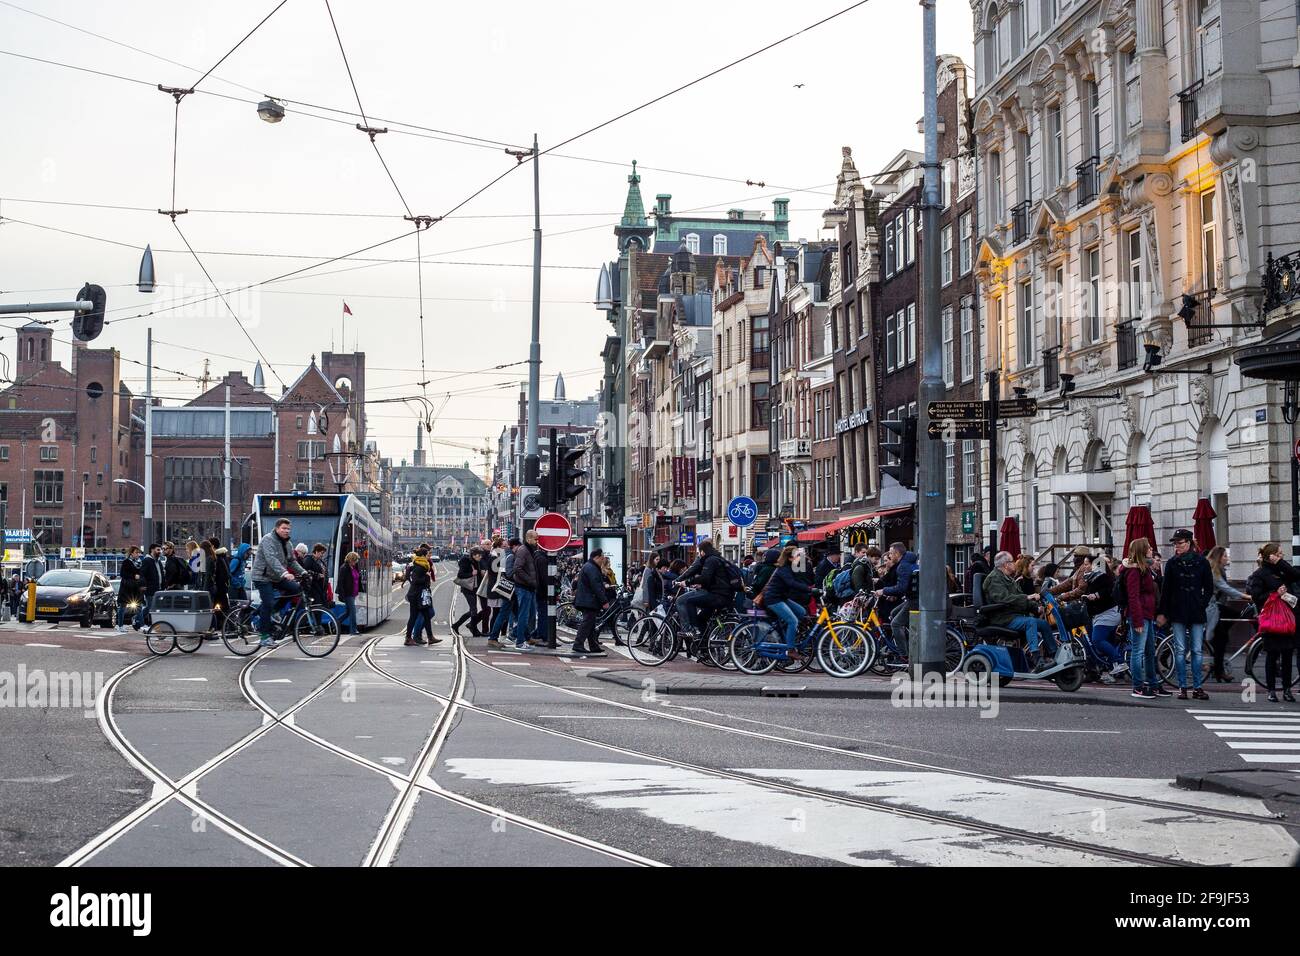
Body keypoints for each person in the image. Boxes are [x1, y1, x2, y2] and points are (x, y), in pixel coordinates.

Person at [1157, 529, 1215, 700]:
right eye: (1175, 543)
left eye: (1180, 543)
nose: (1177, 546)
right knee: (1180, 650)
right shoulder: (1172, 563)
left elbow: (1209, 587)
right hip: (1178, 611)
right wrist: (1163, 612)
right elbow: (1165, 590)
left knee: (1197, 650)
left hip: (1196, 611)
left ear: (1189, 543)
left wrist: (1201, 603)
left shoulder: (1202, 562)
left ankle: (1197, 687)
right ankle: (1182, 687)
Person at [981, 550, 1055, 670]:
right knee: (1030, 622)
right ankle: (1036, 659)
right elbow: (1004, 598)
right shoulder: (994, 579)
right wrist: (1028, 596)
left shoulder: (1008, 578)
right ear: (1006, 564)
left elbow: (1020, 600)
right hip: (1002, 618)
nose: (1015, 563)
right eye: (1012, 561)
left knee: (1044, 624)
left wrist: (1036, 608)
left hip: (1013, 615)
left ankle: (1054, 654)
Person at [1246, 542, 1300, 702]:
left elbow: (1296, 575)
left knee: (1288, 655)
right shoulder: (1260, 574)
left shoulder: (1283, 571)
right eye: (1279, 553)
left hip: (1288, 618)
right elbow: (1256, 597)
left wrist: (1280, 562)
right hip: (1272, 619)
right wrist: (1275, 593)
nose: (1282, 555)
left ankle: (1287, 689)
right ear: (1271, 555)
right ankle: (1271, 690)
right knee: (1272, 655)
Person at [1120, 537, 1167, 700]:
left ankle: (1153, 685)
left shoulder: (1144, 567)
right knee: (1138, 651)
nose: (1151, 549)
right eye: (1148, 547)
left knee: (1149, 651)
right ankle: (1138, 687)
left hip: (1147, 614)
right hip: (1139, 616)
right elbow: (1133, 597)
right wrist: (1138, 620)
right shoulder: (1134, 571)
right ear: (1141, 550)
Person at [249, 519, 306, 647]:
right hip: (262, 577)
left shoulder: (288, 543)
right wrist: (285, 573)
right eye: (284, 528)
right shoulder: (267, 540)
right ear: (277, 528)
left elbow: (292, 561)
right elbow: (271, 559)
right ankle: (264, 636)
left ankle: (275, 610)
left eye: (288, 529)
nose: (286, 531)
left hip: (276, 577)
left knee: (296, 589)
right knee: (268, 601)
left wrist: (304, 572)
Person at [762, 545, 816, 662]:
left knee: (801, 612)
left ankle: (787, 635)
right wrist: (809, 589)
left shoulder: (793, 567)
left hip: (782, 598)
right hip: (773, 599)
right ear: (790, 558)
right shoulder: (783, 569)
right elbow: (791, 583)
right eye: (797, 556)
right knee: (793, 621)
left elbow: (804, 576)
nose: (800, 559)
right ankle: (790, 649)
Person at [1205, 546, 1248, 683]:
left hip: (1217, 606)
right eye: (1225, 556)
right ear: (1218, 557)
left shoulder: (1219, 570)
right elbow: (1225, 587)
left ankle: (1216, 640)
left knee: (1237, 614)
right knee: (1221, 640)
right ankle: (1218, 671)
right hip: (1210, 608)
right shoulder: (1213, 571)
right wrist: (1244, 596)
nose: (1227, 559)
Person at [674, 539, 733, 634]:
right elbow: (713, 579)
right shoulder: (717, 558)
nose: (699, 555)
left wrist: (687, 582)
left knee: (688, 601)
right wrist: (700, 584)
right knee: (701, 619)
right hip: (724, 595)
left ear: (702, 551)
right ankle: (703, 645)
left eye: (699, 552)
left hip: (718, 596)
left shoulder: (710, 560)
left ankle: (693, 630)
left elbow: (704, 577)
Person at [573, 549, 610, 655]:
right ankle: (578, 644)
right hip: (588, 600)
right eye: (602, 558)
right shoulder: (591, 568)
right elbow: (596, 586)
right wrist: (604, 600)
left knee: (591, 624)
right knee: (587, 623)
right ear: (596, 557)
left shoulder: (590, 566)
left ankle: (593, 645)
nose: (603, 560)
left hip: (588, 599)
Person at [486, 537, 521, 649]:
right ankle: (493, 637)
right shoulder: (496, 557)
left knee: (513, 612)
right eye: (504, 546)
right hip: (500, 589)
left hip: (504, 589)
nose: (506, 548)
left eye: (507, 546)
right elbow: (499, 573)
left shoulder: (501, 557)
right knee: (498, 613)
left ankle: (524, 635)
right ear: (498, 547)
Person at [403, 545, 437, 646]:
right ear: (423, 555)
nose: (429, 556)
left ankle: (430, 637)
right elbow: (416, 580)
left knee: (426, 615)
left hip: (419, 594)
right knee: (414, 616)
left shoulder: (421, 564)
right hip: (417, 595)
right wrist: (426, 577)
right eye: (427, 555)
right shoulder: (420, 565)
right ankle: (409, 638)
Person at [510, 532, 540, 649]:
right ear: (529, 538)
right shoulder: (523, 550)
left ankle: (520, 635)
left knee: (531, 614)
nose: (537, 541)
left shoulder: (530, 550)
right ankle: (520, 641)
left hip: (529, 588)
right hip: (524, 587)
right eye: (535, 539)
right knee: (524, 615)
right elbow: (517, 568)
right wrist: (530, 581)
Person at [452, 548, 484, 637]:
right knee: (474, 610)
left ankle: (456, 625)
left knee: (474, 610)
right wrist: (472, 574)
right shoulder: (465, 561)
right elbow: (460, 574)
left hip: (475, 588)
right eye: (479, 555)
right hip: (468, 588)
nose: (480, 557)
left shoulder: (477, 561)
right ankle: (474, 629)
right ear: (474, 555)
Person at [117, 546, 144, 632]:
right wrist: (133, 576)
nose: (138, 554)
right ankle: (120, 626)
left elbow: (141, 574)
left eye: (139, 552)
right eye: (136, 552)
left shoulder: (140, 562)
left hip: (135, 588)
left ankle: (142, 625)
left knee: (139, 606)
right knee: (123, 607)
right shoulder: (126, 562)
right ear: (131, 553)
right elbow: (122, 574)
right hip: (126, 588)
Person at [336, 551, 362, 636]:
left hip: (353, 592)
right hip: (347, 593)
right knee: (353, 612)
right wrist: (341, 594)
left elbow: (357, 579)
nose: (355, 562)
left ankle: (334, 623)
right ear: (351, 560)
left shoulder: (354, 567)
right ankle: (353, 630)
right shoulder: (344, 568)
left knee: (348, 612)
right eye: (355, 560)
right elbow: (340, 582)